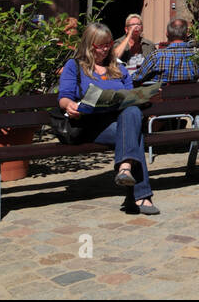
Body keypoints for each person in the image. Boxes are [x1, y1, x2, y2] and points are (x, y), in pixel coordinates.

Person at [57, 23, 158, 215]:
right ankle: (140, 195)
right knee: (135, 137)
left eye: (108, 44)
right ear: (89, 45)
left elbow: (130, 96)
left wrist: (148, 96)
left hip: (118, 122)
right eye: (100, 46)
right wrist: (68, 105)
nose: (105, 49)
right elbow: (64, 96)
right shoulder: (74, 66)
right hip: (89, 125)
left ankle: (125, 169)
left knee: (133, 112)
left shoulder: (118, 67)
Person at [141, 19, 198, 84]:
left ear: (167, 34)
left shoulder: (156, 56)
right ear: (187, 34)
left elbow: (136, 78)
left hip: (162, 93)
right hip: (190, 93)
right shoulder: (196, 55)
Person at [112, 14, 155, 80]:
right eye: (132, 25)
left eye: (138, 24)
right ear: (126, 29)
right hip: (125, 79)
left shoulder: (149, 45)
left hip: (145, 80)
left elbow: (154, 64)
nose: (136, 26)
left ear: (142, 28)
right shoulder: (119, 43)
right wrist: (129, 35)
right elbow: (114, 57)